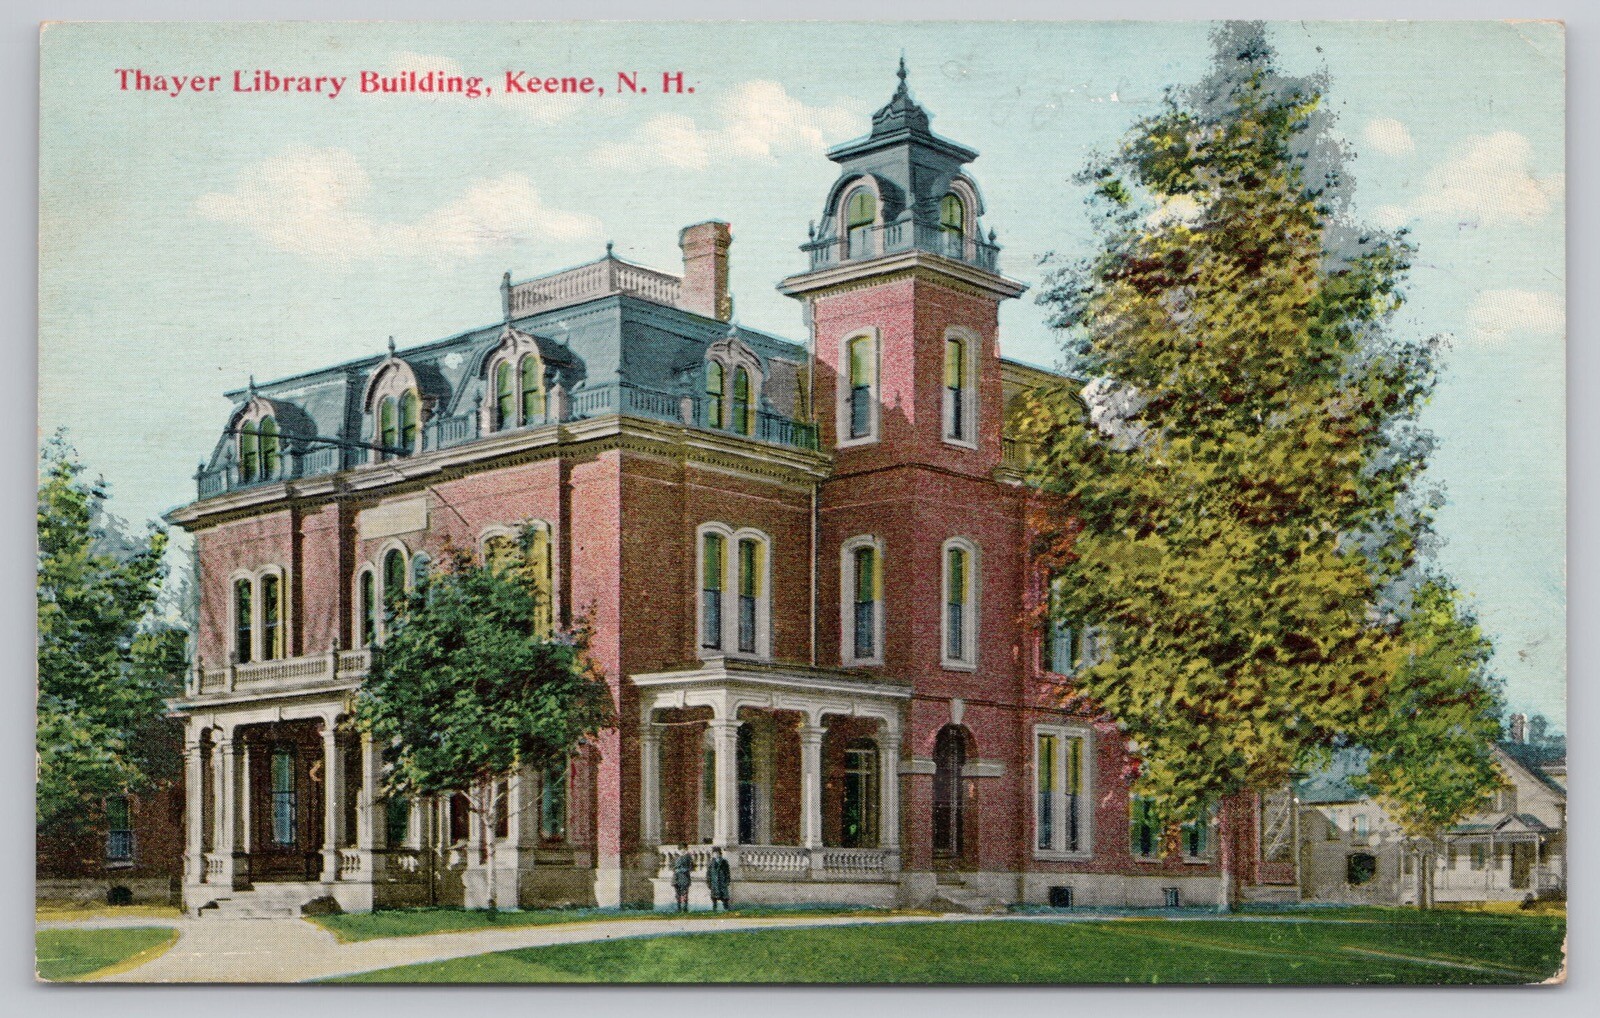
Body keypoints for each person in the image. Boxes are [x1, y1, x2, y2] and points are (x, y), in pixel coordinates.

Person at [707, 845, 732, 912]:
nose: (716, 855)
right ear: (712, 854)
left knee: (724, 896)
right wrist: (708, 882)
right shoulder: (711, 863)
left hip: (722, 881)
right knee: (714, 897)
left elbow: (727, 872)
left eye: (717, 853)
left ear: (720, 854)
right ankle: (714, 908)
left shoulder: (724, 862)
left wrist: (727, 881)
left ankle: (726, 908)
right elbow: (708, 874)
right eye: (714, 853)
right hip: (714, 882)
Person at [672, 843, 694, 913]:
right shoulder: (675, 857)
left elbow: (692, 867)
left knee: (684, 893)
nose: (683, 850)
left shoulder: (688, 857)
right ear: (679, 850)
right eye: (681, 849)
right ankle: (678, 908)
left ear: (686, 849)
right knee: (677, 894)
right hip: (676, 878)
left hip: (685, 877)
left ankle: (685, 908)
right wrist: (676, 869)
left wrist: (685, 869)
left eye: (684, 849)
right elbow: (671, 866)